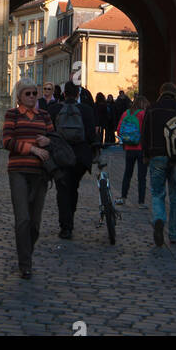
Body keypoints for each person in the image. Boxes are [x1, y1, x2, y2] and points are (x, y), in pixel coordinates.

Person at [2, 79, 55, 278]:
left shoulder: (44, 115)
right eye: (28, 93)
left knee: (35, 223)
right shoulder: (12, 115)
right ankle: (25, 263)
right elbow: (7, 141)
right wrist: (32, 148)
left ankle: (26, 252)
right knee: (22, 218)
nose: (32, 97)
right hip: (18, 172)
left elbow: (54, 139)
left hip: (40, 174)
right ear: (19, 96)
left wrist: (48, 140)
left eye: (34, 93)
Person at [140, 82, 176, 248]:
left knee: (157, 193)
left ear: (161, 93)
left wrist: (145, 155)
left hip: (156, 156)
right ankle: (174, 234)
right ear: (175, 93)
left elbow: (144, 133)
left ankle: (158, 218)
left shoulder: (152, 109)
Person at [52, 79, 97, 238]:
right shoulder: (86, 110)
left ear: (64, 94)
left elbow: (50, 134)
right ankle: (70, 215)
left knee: (62, 189)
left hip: (61, 156)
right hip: (80, 157)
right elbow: (92, 135)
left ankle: (66, 227)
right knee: (73, 187)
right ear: (78, 94)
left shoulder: (55, 109)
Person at [115, 94, 147, 206]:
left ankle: (123, 197)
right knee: (141, 176)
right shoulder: (143, 114)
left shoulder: (126, 113)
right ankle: (141, 201)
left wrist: (126, 140)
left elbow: (119, 129)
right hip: (141, 148)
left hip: (129, 148)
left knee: (127, 173)